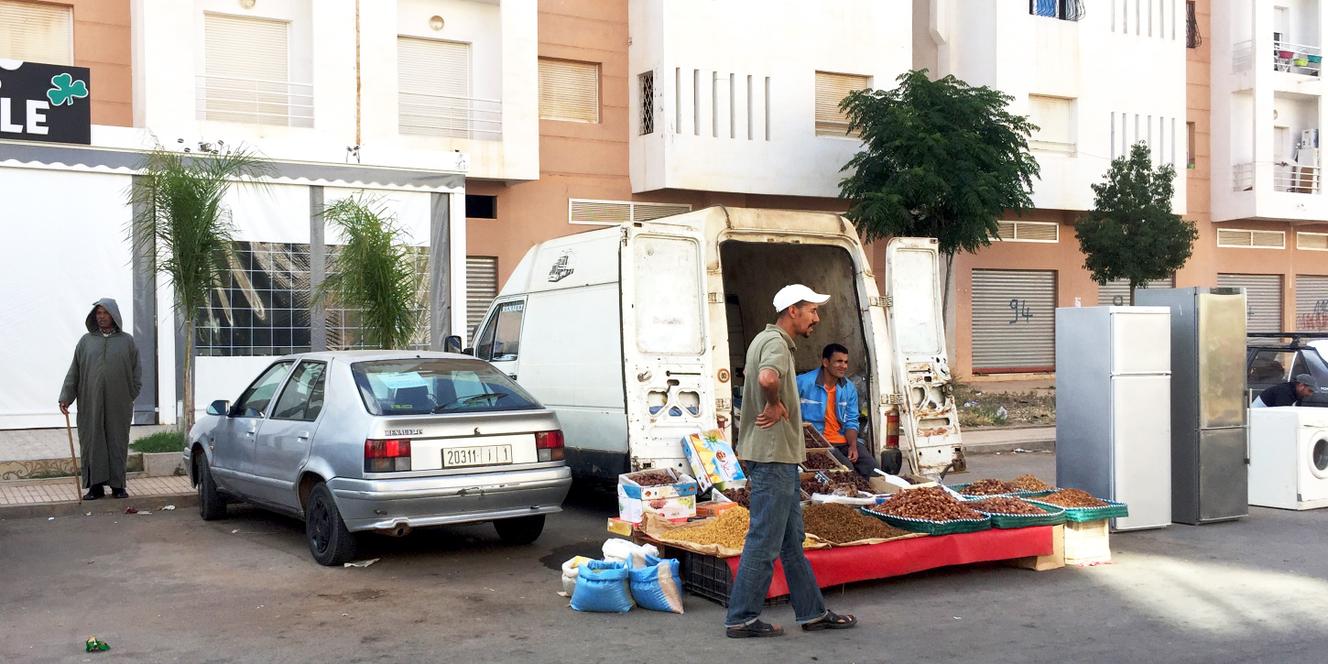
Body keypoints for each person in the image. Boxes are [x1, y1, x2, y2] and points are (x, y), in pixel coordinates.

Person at [725, 284, 857, 638]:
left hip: (774, 457)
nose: (816, 318)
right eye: (812, 311)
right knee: (764, 540)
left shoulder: (763, 340)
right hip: (773, 458)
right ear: (793, 311)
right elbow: (768, 378)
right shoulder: (777, 344)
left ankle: (812, 613)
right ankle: (741, 618)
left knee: (790, 540)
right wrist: (773, 403)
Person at [58, 299, 141, 500]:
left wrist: (129, 394)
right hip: (90, 401)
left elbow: (136, 372)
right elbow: (74, 371)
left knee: (117, 441)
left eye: (105, 313)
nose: (102, 317)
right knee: (92, 440)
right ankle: (95, 487)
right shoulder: (86, 342)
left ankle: (118, 486)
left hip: (119, 402)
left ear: (114, 315)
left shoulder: (127, 342)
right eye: (98, 313)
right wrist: (66, 396)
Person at [797, 343, 878, 479]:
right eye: (839, 361)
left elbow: (852, 420)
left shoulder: (848, 387)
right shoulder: (802, 383)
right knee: (848, 472)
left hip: (842, 440)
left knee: (872, 469)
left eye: (846, 362)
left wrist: (853, 446)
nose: (844, 366)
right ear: (825, 362)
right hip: (817, 443)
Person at [1251, 373, 1317, 408]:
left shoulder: (1297, 393)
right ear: (1301, 385)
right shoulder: (1284, 392)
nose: (1310, 394)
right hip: (1257, 416)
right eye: (1310, 391)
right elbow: (1281, 414)